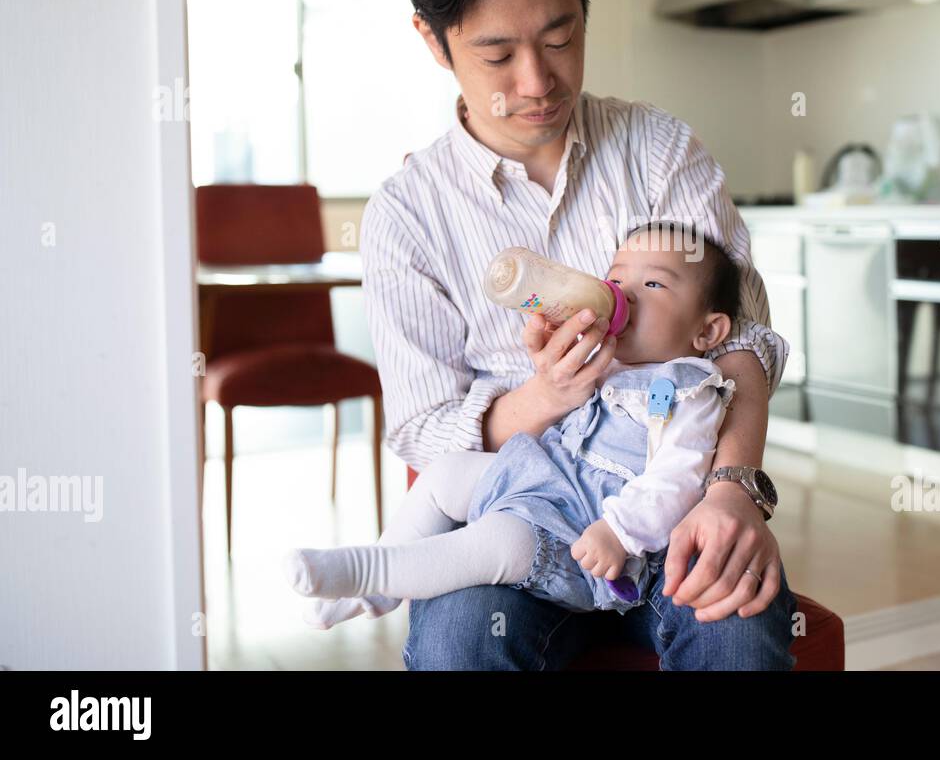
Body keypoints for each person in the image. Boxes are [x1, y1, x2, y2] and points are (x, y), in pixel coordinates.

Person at [365, 0, 794, 670]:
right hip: (515, 522)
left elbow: (748, 340)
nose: (537, 81)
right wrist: (549, 395)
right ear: (433, 41)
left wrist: (735, 485)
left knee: (737, 630)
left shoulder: (660, 152)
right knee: (463, 644)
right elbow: (425, 431)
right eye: (496, 53)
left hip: (674, 502)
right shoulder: (406, 214)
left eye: (560, 38)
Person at [282, 225, 758, 625]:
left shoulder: (686, 390)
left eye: (654, 285)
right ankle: (377, 588)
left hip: (584, 529)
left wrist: (619, 533)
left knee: (500, 541)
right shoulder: (603, 360)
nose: (626, 296)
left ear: (707, 331)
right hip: (542, 477)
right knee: (446, 472)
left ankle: (370, 572)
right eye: (616, 279)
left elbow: (676, 480)